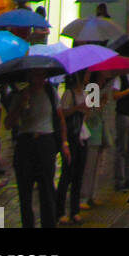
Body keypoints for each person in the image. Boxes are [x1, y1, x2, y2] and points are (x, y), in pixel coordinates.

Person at [6, 68, 69, 229]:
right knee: (25, 189)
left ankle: (49, 222)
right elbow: (8, 123)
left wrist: (64, 142)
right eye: (35, 76)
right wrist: (21, 104)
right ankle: (28, 223)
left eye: (42, 75)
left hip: (45, 141)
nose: (39, 79)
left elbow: (60, 117)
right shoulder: (20, 95)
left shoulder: (51, 93)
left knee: (47, 187)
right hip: (25, 142)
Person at [55, 72, 88, 224]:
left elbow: (89, 113)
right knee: (67, 173)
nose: (88, 76)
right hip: (71, 136)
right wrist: (77, 108)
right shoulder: (68, 93)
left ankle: (75, 211)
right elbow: (62, 113)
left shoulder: (87, 91)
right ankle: (60, 211)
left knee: (78, 175)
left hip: (82, 135)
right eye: (86, 73)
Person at [79, 71, 114, 209]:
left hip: (98, 133)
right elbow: (90, 113)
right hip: (91, 134)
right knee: (89, 167)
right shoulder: (92, 88)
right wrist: (100, 104)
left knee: (96, 166)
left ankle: (92, 195)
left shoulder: (98, 89)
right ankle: (84, 197)